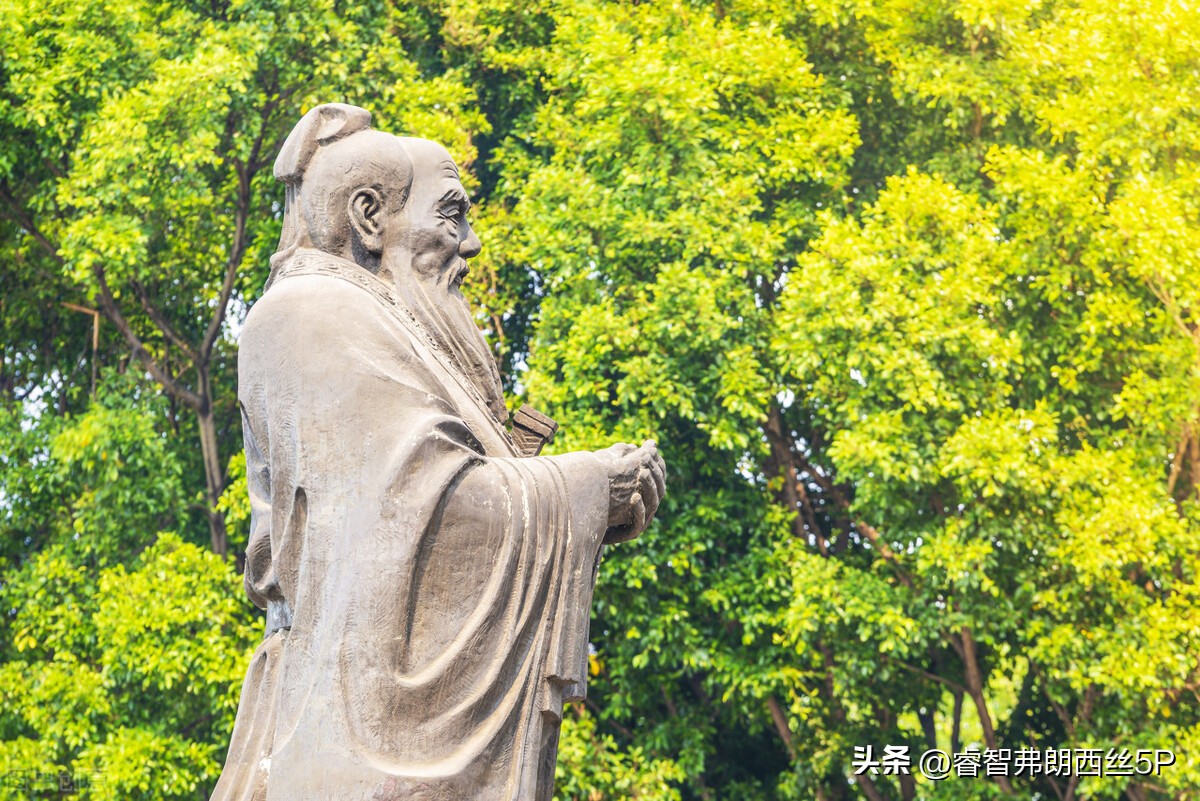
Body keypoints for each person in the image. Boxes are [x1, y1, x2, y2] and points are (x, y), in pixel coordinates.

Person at [211, 103, 665, 801]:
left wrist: (585, 500)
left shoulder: (387, 321)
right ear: (368, 217)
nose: (471, 245)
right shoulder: (314, 313)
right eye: (451, 215)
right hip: (351, 741)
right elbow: (412, 509)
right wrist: (581, 486)